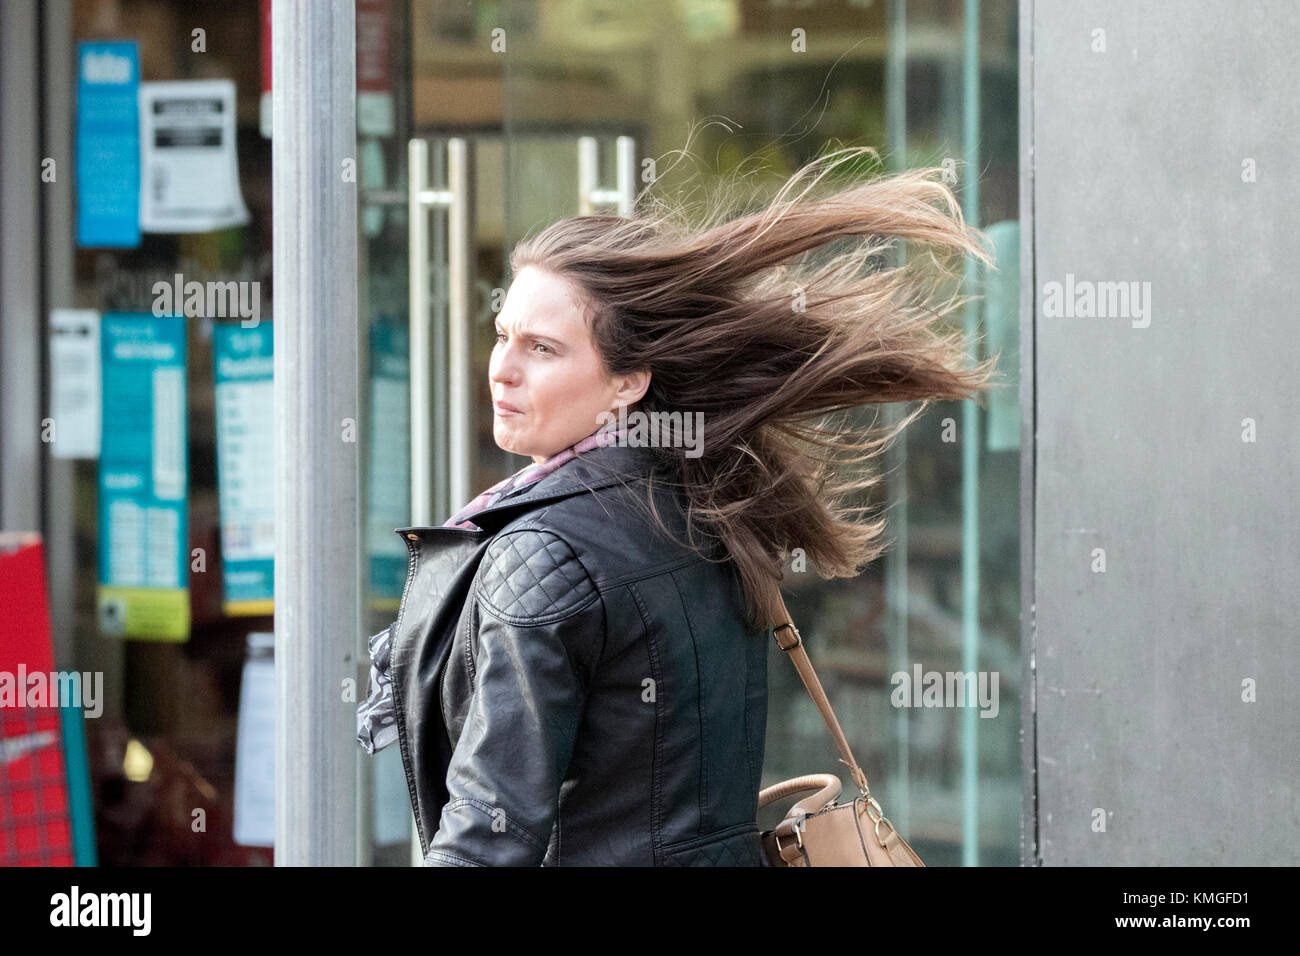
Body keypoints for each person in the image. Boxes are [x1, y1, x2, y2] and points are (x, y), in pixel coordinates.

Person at [357, 144, 1001, 866]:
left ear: (628, 381)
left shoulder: (540, 554)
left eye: (542, 348)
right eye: (503, 335)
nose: (501, 369)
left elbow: (487, 837)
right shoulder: (709, 505)